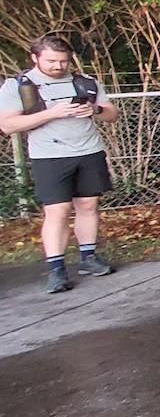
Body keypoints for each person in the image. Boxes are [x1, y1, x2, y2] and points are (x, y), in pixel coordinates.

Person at [0, 34, 121, 294]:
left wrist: (95, 111)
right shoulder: (19, 86)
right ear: (35, 58)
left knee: (89, 205)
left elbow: (112, 114)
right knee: (58, 210)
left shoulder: (85, 83)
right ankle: (56, 270)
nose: (58, 66)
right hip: (49, 156)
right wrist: (52, 113)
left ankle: (88, 258)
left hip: (89, 151)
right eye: (52, 61)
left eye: (63, 61)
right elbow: (8, 125)